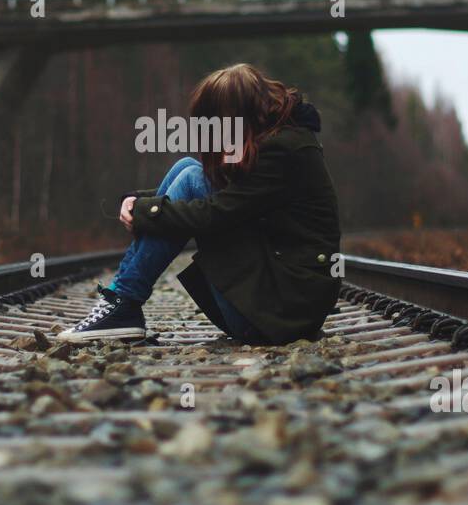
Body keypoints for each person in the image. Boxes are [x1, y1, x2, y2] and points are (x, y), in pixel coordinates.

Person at [59, 63, 341, 344]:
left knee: (193, 176)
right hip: (276, 302)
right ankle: (122, 300)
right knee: (189, 167)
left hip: (280, 314)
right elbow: (229, 195)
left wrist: (144, 211)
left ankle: (124, 301)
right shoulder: (276, 138)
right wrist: (136, 201)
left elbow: (215, 213)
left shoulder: (283, 150)